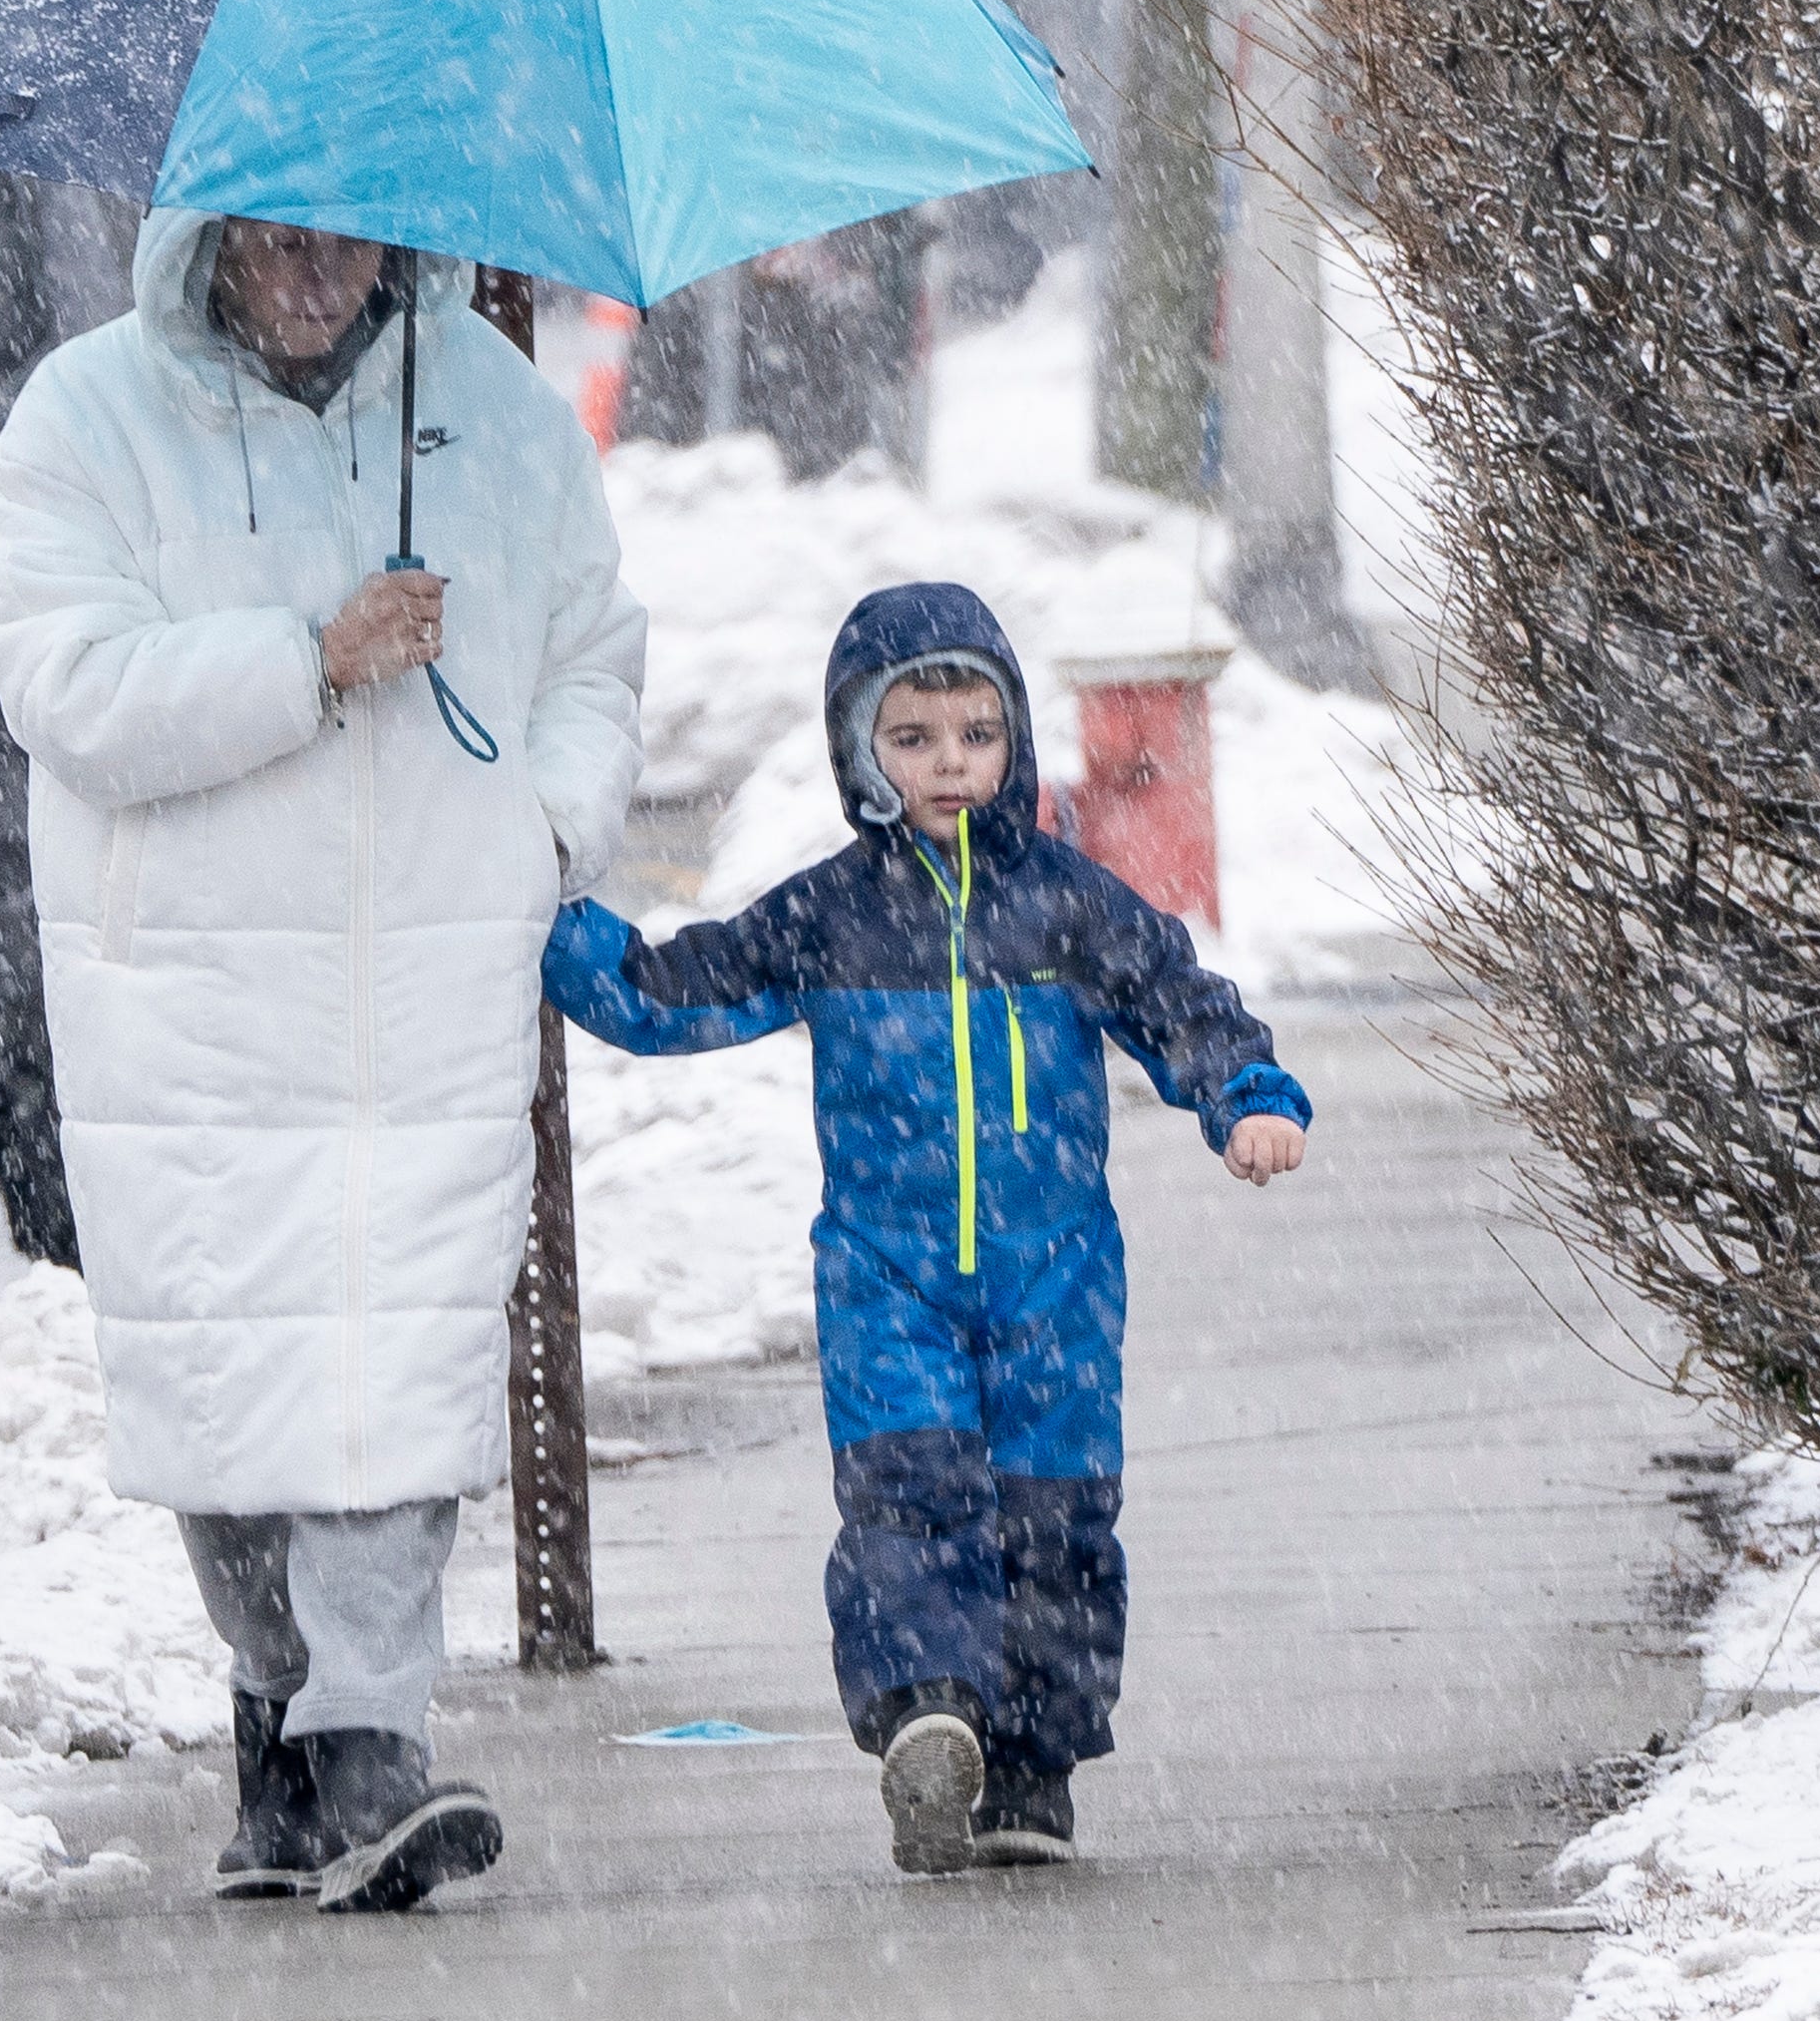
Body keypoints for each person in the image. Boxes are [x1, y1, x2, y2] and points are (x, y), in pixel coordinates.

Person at [0, 212, 645, 1912]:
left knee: (397, 1354)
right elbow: (65, 687)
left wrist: (544, 832)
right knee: (235, 1389)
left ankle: (368, 1741)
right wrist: (306, 660)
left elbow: (592, 653)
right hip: (189, 999)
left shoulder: (491, 407)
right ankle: (276, 1717)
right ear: (207, 239)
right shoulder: (83, 419)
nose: (317, 274)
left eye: (349, 243)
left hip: (426, 973)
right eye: (277, 241)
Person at [545, 582, 1307, 1872]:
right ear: (860, 752)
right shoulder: (832, 913)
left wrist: (1248, 1099)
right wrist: (548, 921)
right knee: (910, 1502)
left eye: (974, 734)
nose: (948, 763)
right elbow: (674, 992)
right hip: (885, 1277)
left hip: (1054, 1277)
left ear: (1011, 745)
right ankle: (927, 1721)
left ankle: (1033, 1770)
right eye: (912, 739)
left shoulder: (1068, 904)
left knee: (1053, 1515)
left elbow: (1182, 1004)